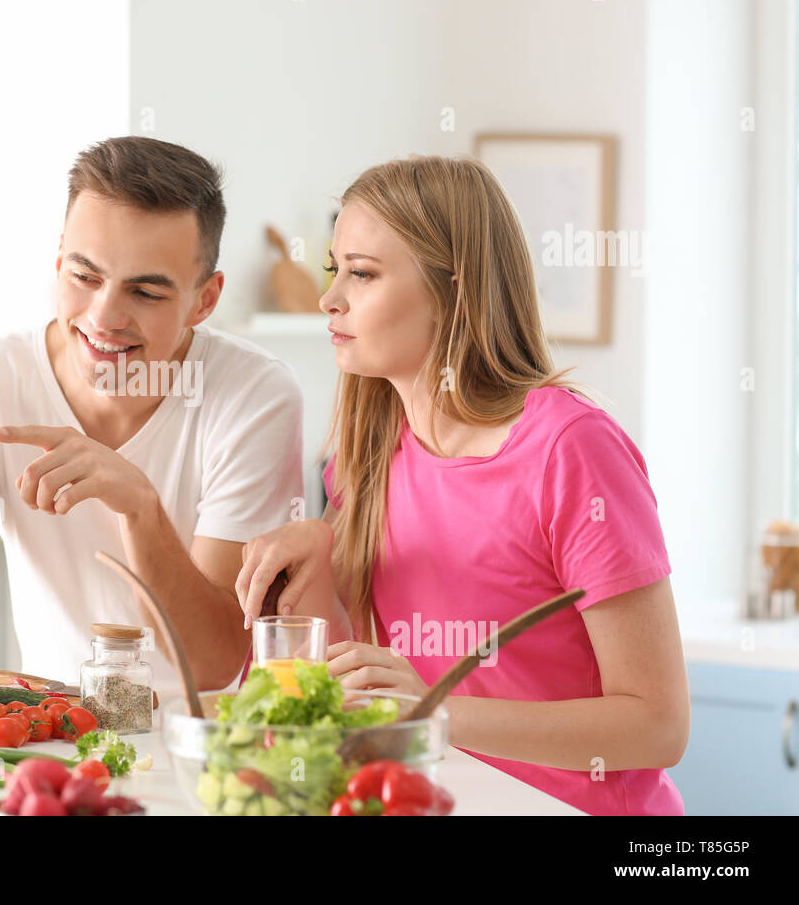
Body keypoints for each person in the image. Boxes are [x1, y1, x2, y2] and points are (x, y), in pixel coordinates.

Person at [233, 154, 688, 815]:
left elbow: (657, 726)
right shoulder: (367, 454)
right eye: (336, 269)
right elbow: (367, 690)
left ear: (455, 288)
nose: (330, 298)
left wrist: (432, 709)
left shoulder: (570, 450)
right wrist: (314, 566)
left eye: (362, 274)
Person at [0, 135, 303, 695]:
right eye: (85, 278)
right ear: (59, 261)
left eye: (147, 293)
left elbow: (211, 667)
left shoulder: (255, 395)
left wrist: (140, 510)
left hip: (206, 751)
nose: (104, 316)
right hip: (53, 739)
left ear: (204, 301)